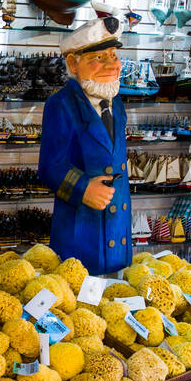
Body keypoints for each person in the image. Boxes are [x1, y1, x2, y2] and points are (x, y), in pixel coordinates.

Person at [37, 16, 131, 274]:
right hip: (81, 231)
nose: (111, 64)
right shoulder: (61, 104)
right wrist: (83, 188)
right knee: (77, 288)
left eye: (113, 55)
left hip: (117, 228)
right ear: (73, 63)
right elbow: (49, 167)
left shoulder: (117, 103)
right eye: (98, 58)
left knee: (117, 290)